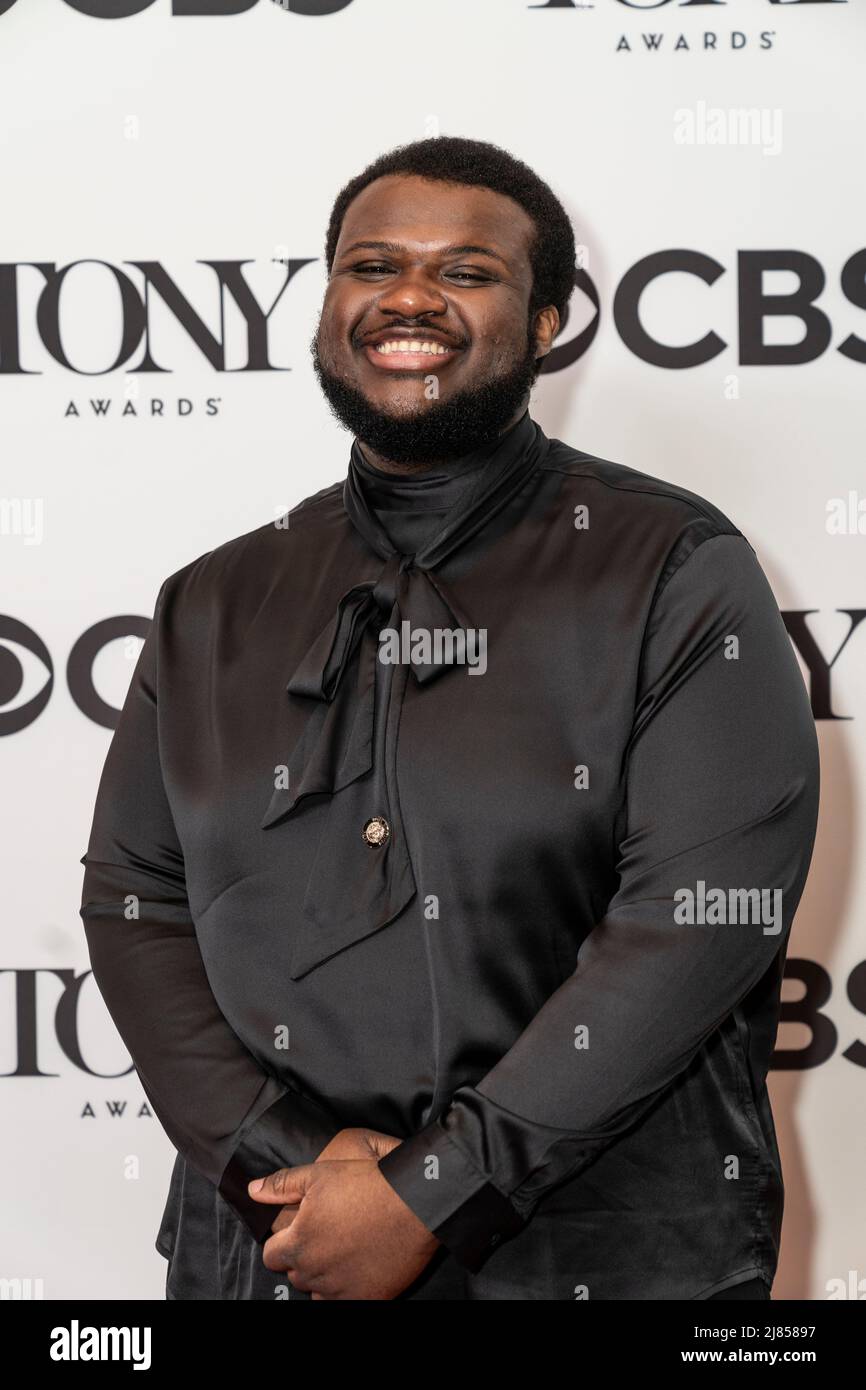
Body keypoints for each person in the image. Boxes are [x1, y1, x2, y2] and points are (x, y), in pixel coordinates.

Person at [79, 136, 819, 1301]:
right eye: (372, 264)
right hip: (270, 1250)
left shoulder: (672, 567)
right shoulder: (213, 599)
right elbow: (137, 902)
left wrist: (431, 1194)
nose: (409, 296)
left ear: (544, 321)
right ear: (327, 305)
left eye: (467, 271)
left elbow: (692, 924)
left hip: (593, 1259)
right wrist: (293, 1165)